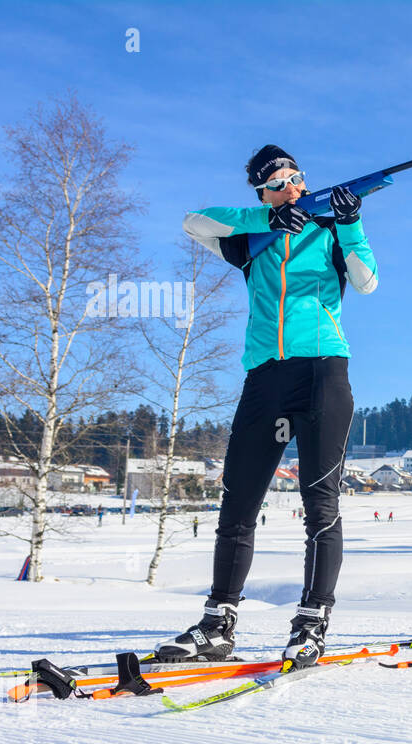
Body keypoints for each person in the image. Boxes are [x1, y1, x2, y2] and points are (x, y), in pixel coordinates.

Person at [156, 144, 377, 668]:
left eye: (297, 178)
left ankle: (311, 623)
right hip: (264, 378)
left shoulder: (327, 229)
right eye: (278, 183)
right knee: (237, 504)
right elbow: (194, 222)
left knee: (320, 505)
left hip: (323, 371)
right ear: (262, 193)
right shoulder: (250, 242)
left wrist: (350, 224)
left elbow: (366, 281)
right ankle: (217, 624)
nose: (292, 188)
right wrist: (267, 218)